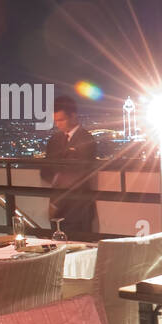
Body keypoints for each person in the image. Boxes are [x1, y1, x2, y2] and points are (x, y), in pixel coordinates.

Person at [44, 95, 99, 238]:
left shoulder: (86, 139)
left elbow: (79, 172)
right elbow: (45, 171)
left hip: (79, 207)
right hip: (58, 208)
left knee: (80, 245)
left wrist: (60, 175)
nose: (58, 124)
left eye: (61, 120)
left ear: (73, 116)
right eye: (56, 120)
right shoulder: (54, 140)